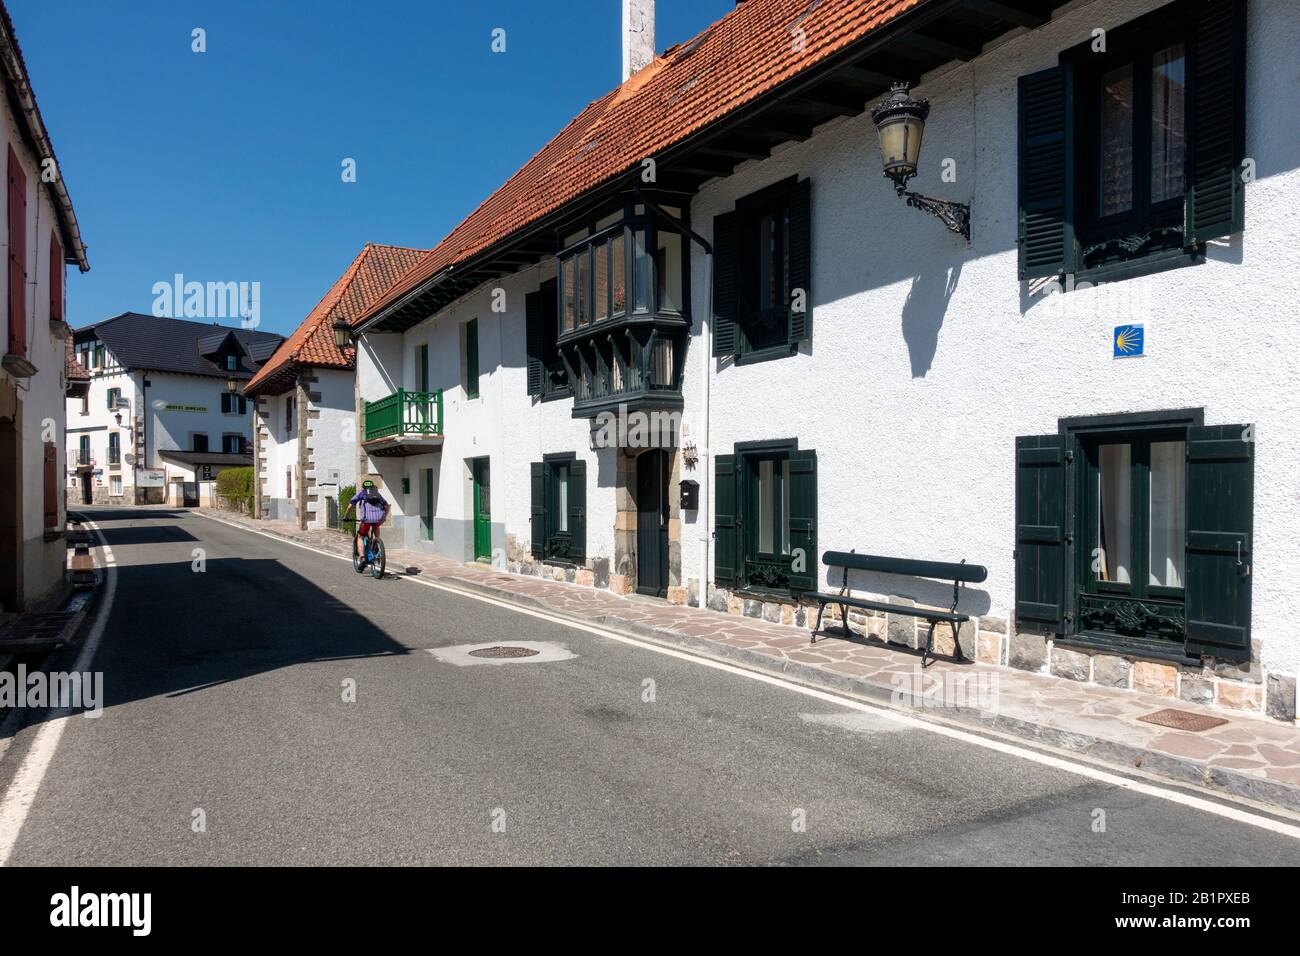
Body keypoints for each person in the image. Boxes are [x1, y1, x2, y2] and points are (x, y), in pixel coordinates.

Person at [345, 480, 389, 559]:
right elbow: (386, 506)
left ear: (363, 488)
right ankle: (377, 544)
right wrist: (384, 517)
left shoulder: (361, 494)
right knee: (376, 528)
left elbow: (350, 507)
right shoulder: (378, 495)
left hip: (366, 520)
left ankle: (362, 556)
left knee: (361, 537)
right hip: (378, 519)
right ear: (373, 487)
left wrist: (346, 517)